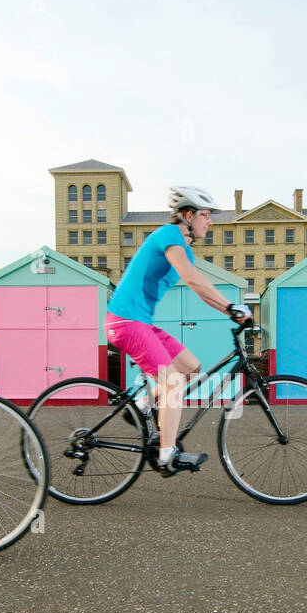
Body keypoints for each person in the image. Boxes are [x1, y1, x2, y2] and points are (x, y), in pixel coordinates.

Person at [104, 186, 252, 476]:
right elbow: (193, 280)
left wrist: (228, 309)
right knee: (172, 382)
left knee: (191, 367)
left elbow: (199, 289)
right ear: (188, 215)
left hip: (140, 322)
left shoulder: (184, 250)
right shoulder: (169, 235)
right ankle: (166, 455)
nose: (209, 222)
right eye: (206, 215)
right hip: (125, 321)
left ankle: (142, 405)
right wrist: (231, 307)